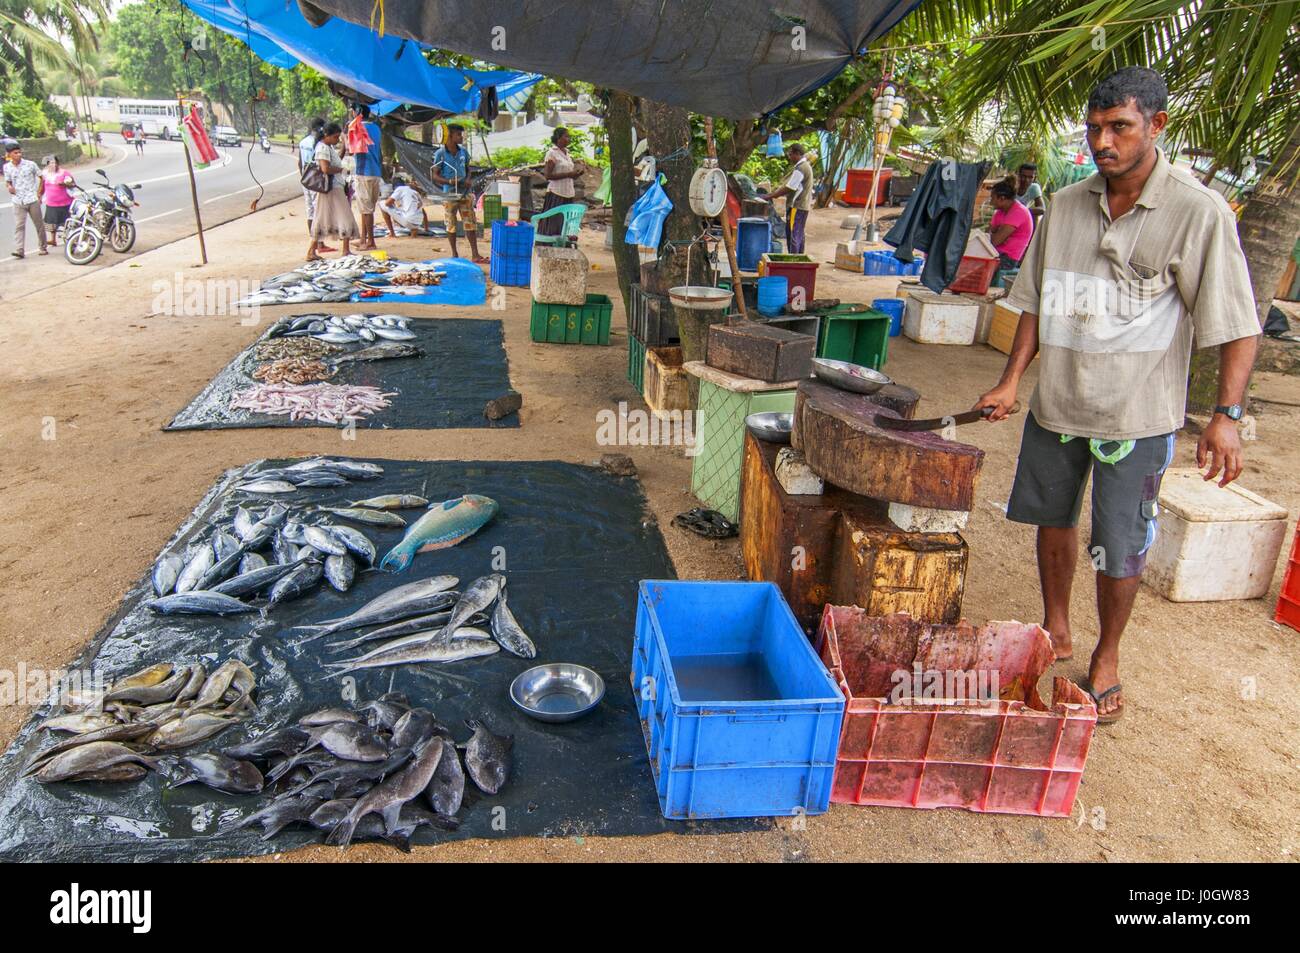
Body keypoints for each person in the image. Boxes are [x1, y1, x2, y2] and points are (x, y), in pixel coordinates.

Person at [974, 67, 1260, 724]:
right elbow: (1035, 306)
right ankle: (1056, 624)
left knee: (1119, 543)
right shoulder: (1066, 206)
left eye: (1120, 127)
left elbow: (1237, 325)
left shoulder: (1198, 212)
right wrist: (1013, 378)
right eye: (1095, 127)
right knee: (1053, 520)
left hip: (1137, 416)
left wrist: (1227, 417)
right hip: (1059, 405)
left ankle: (1106, 654)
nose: (1104, 141)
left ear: (1156, 126)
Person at [429, 124, 486, 263]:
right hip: (449, 194)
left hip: (464, 193)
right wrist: (449, 181)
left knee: (470, 223)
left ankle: (475, 254)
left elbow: (468, 169)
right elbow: (434, 175)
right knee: (451, 223)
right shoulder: (440, 154)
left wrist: (467, 179)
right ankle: (454, 253)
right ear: (450, 136)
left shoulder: (464, 153)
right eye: (459, 135)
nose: (461, 137)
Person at [306, 122, 358, 261]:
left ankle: (313, 251)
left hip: (335, 186)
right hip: (331, 188)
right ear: (327, 135)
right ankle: (345, 250)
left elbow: (334, 162)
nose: (336, 140)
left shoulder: (327, 147)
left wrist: (343, 148)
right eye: (335, 137)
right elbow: (325, 169)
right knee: (345, 216)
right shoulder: (323, 148)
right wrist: (341, 170)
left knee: (323, 218)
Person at [760, 141, 815, 254]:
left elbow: (790, 187)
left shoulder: (801, 168)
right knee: (799, 234)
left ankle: (793, 259)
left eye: (791, 154)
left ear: (797, 154)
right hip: (803, 206)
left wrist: (770, 196)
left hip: (797, 206)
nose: (789, 157)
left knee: (793, 234)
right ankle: (799, 258)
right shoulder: (805, 166)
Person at [538, 126, 585, 237]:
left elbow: (570, 176)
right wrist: (569, 174)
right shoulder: (552, 153)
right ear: (558, 138)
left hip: (568, 193)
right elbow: (547, 175)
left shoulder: (567, 154)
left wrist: (578, 174)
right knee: (554, 221)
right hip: (556, 193)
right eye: (566, 137)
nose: (568, 139)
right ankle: (549, 242)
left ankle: (561, 241)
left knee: (565, 221)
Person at [3, 140, 48, 257]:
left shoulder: (30, 164)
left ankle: (43, 247)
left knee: (39, 225)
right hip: (18, 201)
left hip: (32, 199)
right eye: (15, 153)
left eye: (19, 152)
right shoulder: (7, 167)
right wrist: (9, 187)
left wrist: (39, 193)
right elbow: (7, 181)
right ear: (9, 154)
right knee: (19, 226)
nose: (18, 155)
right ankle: (19, 250)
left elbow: (42, 178)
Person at [297, 118, 334, 252]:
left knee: (310, 211)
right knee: (318, 210)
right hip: (317, 179)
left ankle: (314, 240)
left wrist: (303, 177)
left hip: (306, 178)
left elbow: (300, 162)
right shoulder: (319, 143)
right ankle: (319, 243)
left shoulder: (303, 142)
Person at [350, 104, 383, 250]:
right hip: (375, 171)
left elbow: (352, 149)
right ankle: (363, 239)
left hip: (363, 172)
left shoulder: (357, 127)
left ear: (357, 113)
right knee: (367, 208)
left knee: (366, 209)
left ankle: (370, 242)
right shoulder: (376, 128)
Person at [987, 178, 1033, 274]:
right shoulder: (999, 212)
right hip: (995, 253)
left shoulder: (1018, 212)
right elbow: (987, 236)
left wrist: (996, 234)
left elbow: (994, 241)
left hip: (1008, 259)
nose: (991, 202)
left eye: (992, 198)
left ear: (1002, 198)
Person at [40, 155, 76, 247]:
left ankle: (70, 239)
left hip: (65, 202)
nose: (54, 165)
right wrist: (39, 196)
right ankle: (53, 239)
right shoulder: (44, 174)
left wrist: (64, 184)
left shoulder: (64, 173)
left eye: (55, 163)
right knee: (52, 223)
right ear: (48, 164)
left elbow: (73, 184)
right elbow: (42, 187)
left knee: (66, 222)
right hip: (51, 203)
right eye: (51, 163)